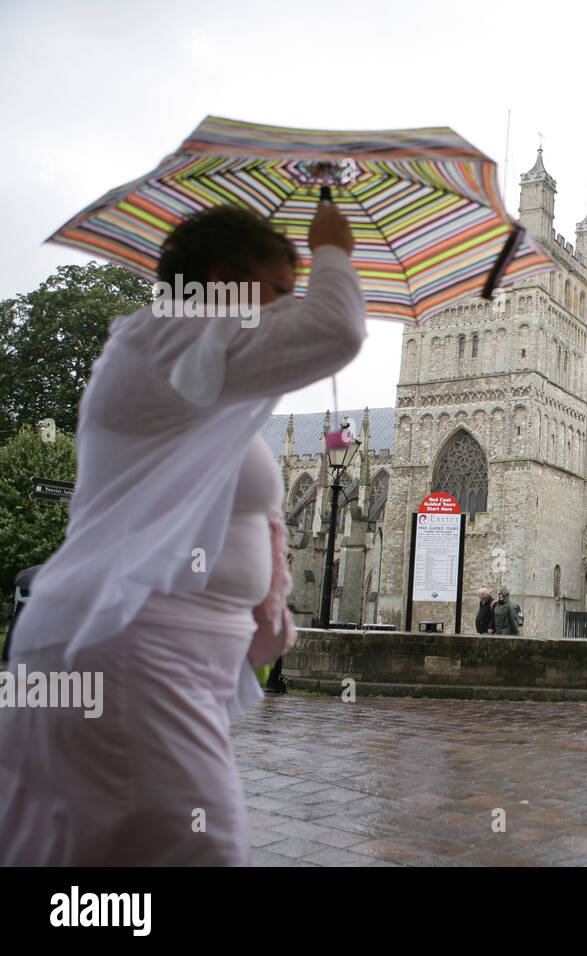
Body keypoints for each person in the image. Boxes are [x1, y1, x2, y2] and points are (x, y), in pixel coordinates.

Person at [0, 201, 365, 865]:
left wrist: (265, 592)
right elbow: (336, 331)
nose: (289, 309)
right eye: (281, 290)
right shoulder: (169, 336)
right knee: (200, 850)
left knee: (86, 859)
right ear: (222, 278)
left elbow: (233, 504)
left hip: (150, 655)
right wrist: (335, 249)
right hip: (126, 648)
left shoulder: (201, 370)